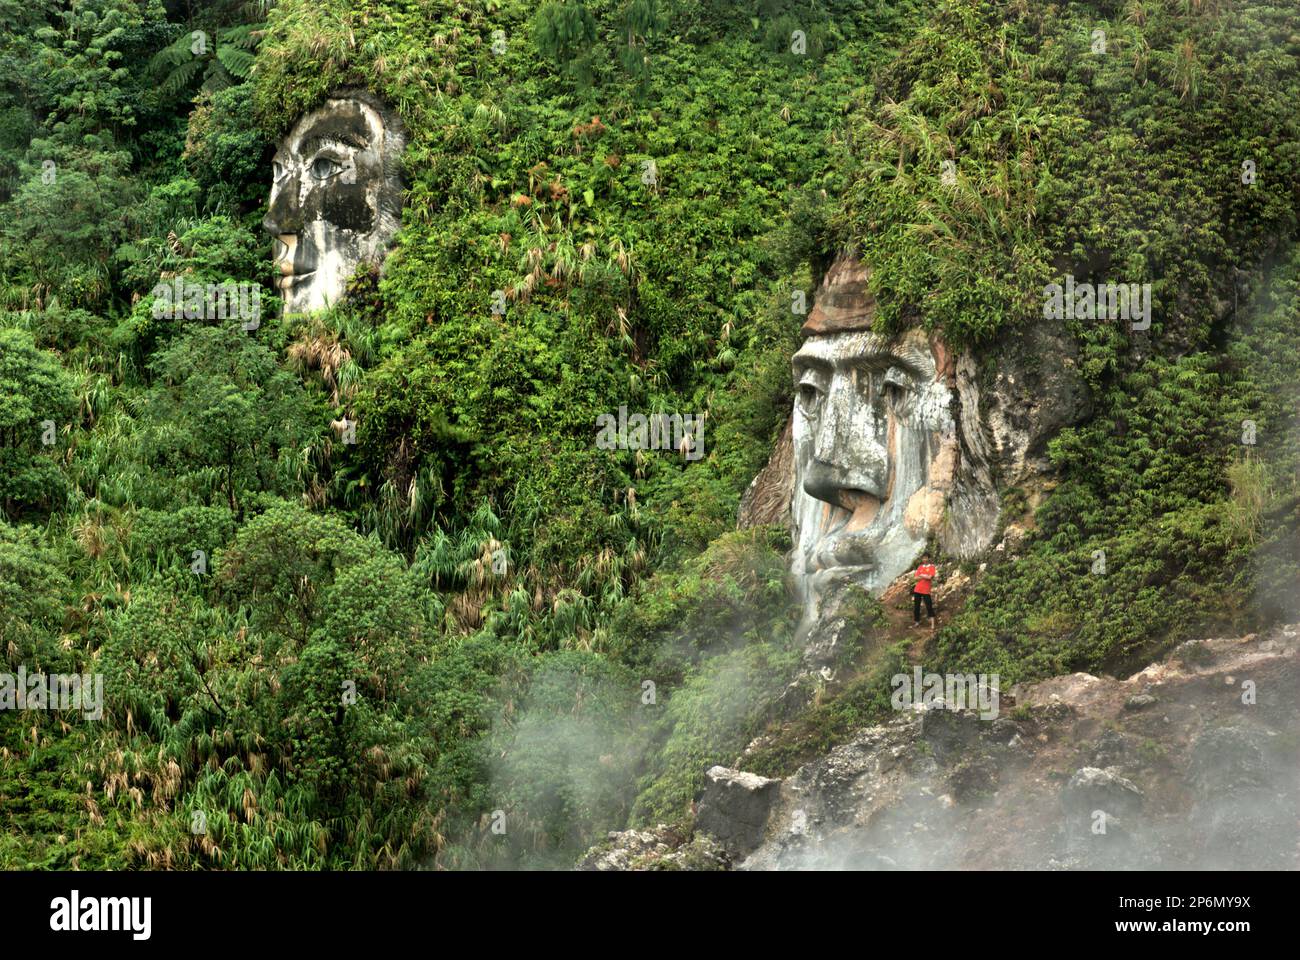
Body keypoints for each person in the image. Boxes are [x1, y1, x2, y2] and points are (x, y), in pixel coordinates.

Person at [911, 554, 937, 628]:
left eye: (926, 558)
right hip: (917, 589)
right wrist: (925, 576)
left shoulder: (932, 567)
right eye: (923, 558)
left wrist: (921, 575)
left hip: (926, 590)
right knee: (916, 606)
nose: (924, 560)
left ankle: (932, 625)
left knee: (929, 606)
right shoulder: (920, 567)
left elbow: (930, 577)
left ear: (929, 558)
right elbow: (916, 578)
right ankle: (917, 622)